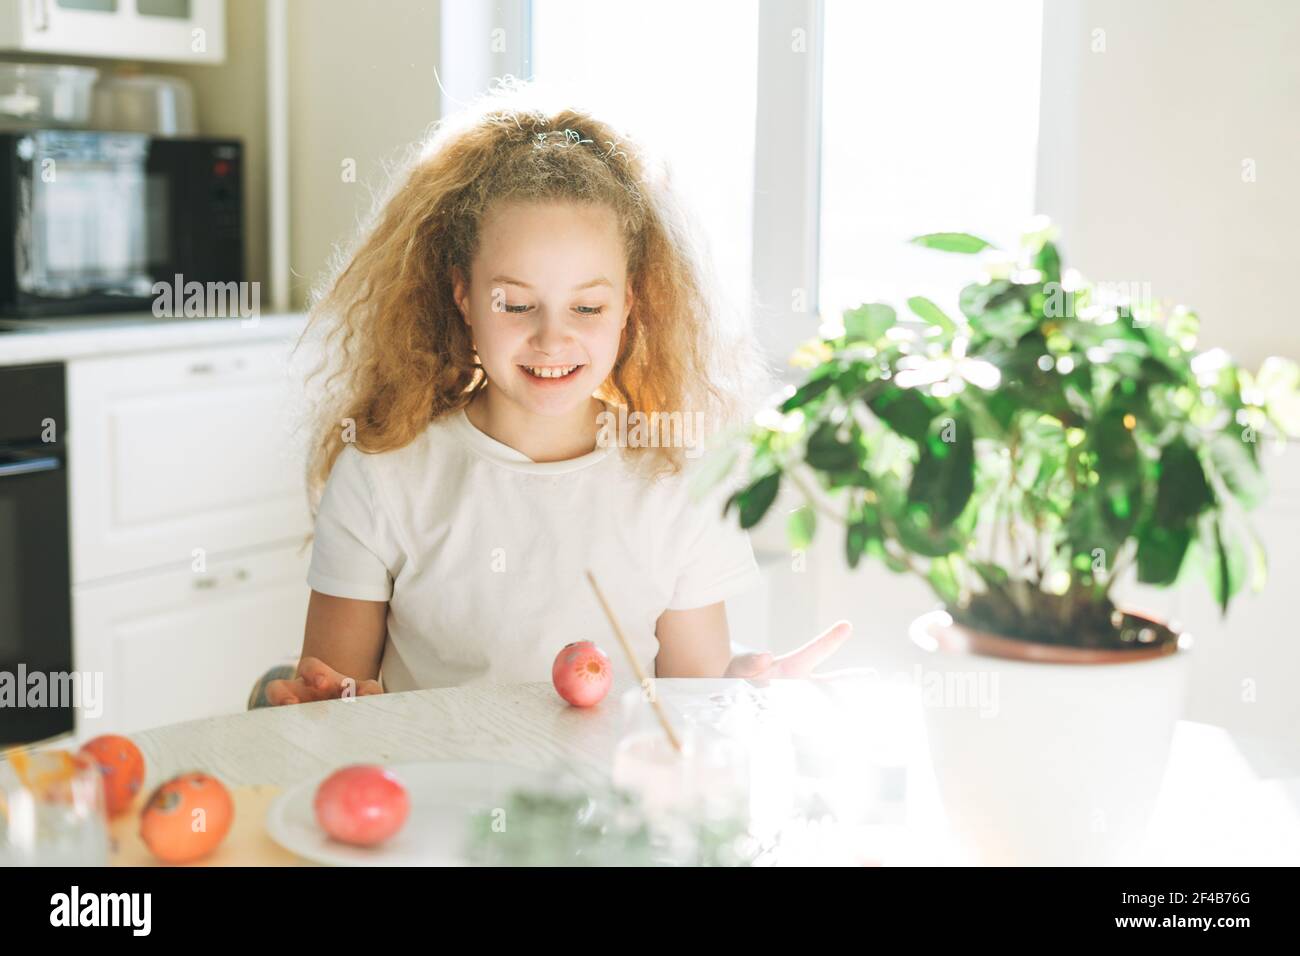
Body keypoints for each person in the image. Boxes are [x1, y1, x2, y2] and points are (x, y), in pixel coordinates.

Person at [266, 83, 851, 707]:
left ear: (630, 303)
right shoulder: (383, 473)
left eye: (587, 305)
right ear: (463, 296)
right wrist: (321, 701)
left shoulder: (677, 476)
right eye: (516, 303)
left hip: (612, 801)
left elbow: (694, 697)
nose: (553, 337)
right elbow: (334, 706)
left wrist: (750, 690)